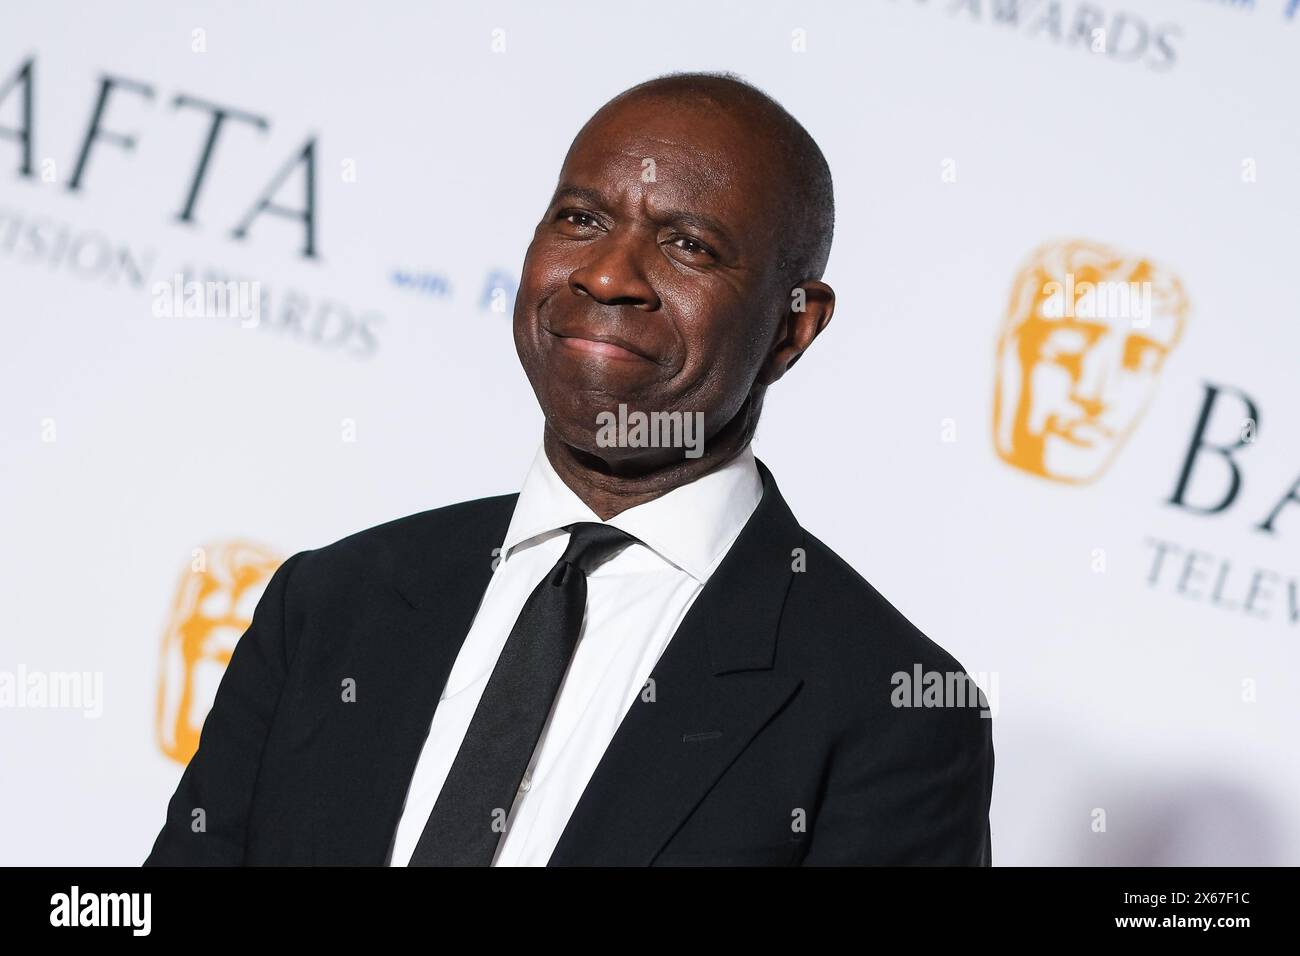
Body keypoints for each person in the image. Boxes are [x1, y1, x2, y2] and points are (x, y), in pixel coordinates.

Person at [145, 71, 993, 867]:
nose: (607, 274)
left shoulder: (893, 712)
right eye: (582, 220)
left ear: (792, 327)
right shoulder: (330, 604)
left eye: (689, 245)